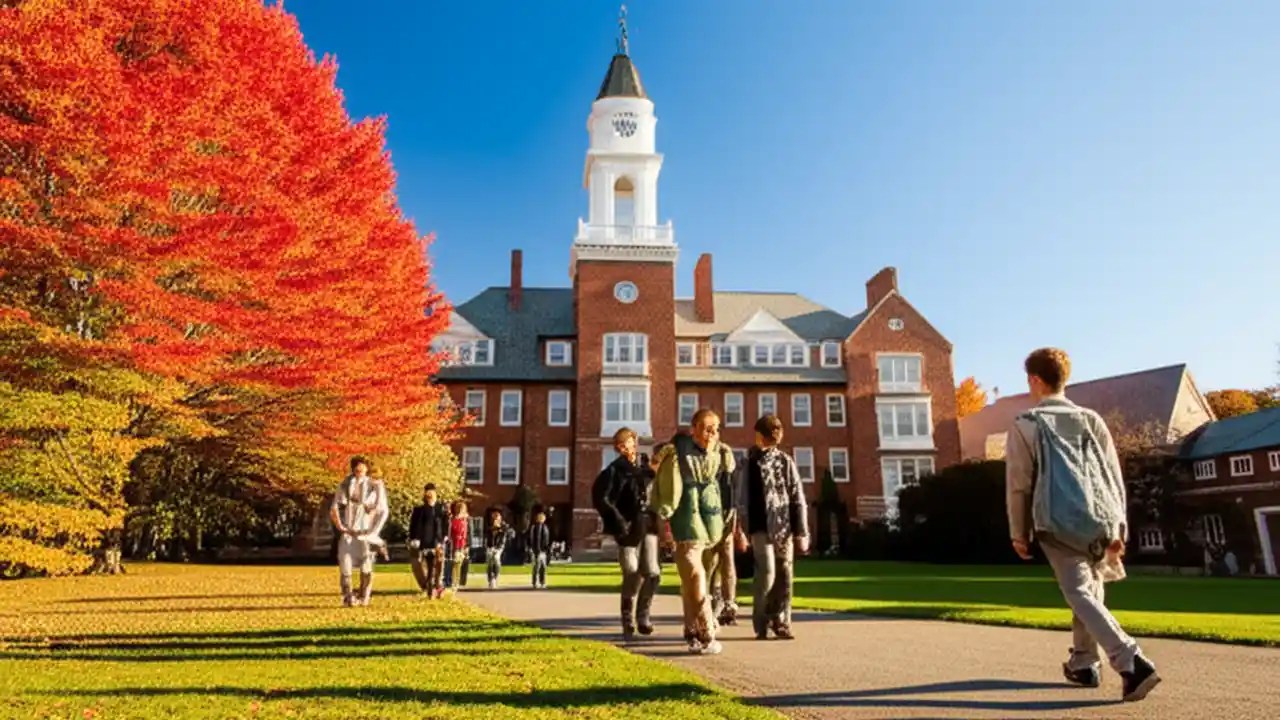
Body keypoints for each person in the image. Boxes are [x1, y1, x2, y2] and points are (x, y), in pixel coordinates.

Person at [1005, 347, 1161, 703]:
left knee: (1077, 591)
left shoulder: (1026, 423)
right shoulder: (1092, 420)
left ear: (1034, 379)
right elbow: (1112, 475)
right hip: (1102, 520)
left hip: (1058, 521)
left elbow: (1019, 483)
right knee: (1089, 592)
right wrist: (1119, 525)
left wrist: (1018, 531)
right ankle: (1083, 663)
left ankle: (1130, 660)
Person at [655, 408, 735, 655]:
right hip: (686, 516)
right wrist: (665, 527)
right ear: (694, 429)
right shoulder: (677, 450)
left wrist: (730, 521)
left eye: (716, 428)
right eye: (707, 428)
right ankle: (707, 630)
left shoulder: (722, 454)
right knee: (694, 571)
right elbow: (664, 488)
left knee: (695, 578)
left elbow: (729, 489)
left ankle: (691, 631)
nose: (712, 433)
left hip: (712, 520)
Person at [734, 414, 809, 640]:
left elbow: (797, 497)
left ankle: (782, 620)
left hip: (783, 527)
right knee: (766, 572)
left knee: (785, 574)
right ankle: (761, 622)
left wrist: (801, 532)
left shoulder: (786, 462)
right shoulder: (749, 464)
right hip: (759, 527)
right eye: (770, 433)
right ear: (759, 436)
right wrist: (741, 530)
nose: (774, 437)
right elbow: (741, 499)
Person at [593, 428, 662, 640]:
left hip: (648, 524)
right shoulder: (614, 471)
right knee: (631, 572)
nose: (623, 449)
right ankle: (627, 619)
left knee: (652, 573)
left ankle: (643, 615)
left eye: (626, 444)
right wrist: (618, 521)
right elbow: (601, 499)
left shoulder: (646, 466)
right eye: (619, 446)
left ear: (634, 441)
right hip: (627, 527)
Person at [328, 456, 389, 607]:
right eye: (356, 467)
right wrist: (340, 525)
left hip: (365, 532)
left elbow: (382, 510)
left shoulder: (374, 486)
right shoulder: (346, 484)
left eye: (362, 467)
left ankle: (364, 597)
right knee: (345, 566)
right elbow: (335, 507)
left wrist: (374, 532)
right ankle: (348, 596)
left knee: (366, 566)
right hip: (349, 532)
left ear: (367, 468)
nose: (359, 470)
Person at [408, 483, 448, 599]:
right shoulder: (419, 510)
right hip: (421, 540)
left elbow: (445, 524)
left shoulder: (440, 509)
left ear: (435, 494)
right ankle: (425, 585)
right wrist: (413, 538)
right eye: (427, 493)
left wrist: (444, 536)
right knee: (417, 564)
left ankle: (437, 584)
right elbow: (413, 526)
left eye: (432, 493)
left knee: (439, 562)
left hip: (437, 540)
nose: (429, 495)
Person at [444, 500, 470, 596]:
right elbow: (449, 532)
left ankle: (456, 582)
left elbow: (468, 534)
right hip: (453, 544)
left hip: (462, 544)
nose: (460, 510)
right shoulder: (452, 520)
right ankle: (451, 581)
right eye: (459, 508)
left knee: (459, 563)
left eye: (462, 508)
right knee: (454, 562)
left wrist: (467, 546)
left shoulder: (466, 521)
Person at [485, 509, 510, 589]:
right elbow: (487, 537)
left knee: (496, 559)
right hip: (490, 546)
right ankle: (490, 579)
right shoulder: (489, 528)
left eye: (497, 518)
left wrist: (499, 529)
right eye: (494, 518)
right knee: (489, 561)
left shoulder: (503, 527)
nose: (496, 520)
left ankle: (495, 577)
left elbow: (504, 537)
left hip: (499, 547)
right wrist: (493, 528)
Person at [528, 509, 552, 589]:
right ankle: (536, 582)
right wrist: (537, 550)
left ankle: (542, 582)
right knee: (537, 567)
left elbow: (546, 539)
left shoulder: (545, 527)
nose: (542, 518)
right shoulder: (536, 527)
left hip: (543, 550)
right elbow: (536, 539)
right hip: (538, 550)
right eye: (541, 517)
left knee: (542, 567)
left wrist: (546, 549)